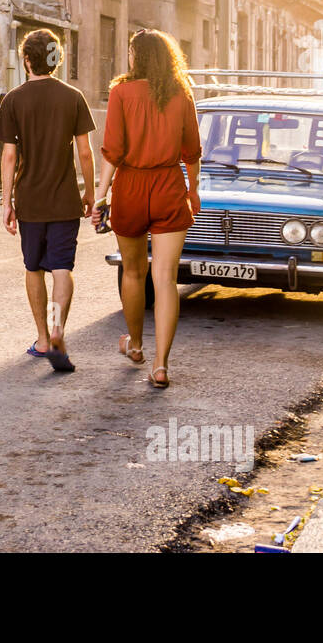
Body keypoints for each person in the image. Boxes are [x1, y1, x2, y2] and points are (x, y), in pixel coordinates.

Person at [93, 29, 201, 388]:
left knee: (134, 272)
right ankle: (160, 365)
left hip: (131, 187)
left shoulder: (121, 93)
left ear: (137, 56)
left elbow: (112, 150)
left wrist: (101, 195)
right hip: (170, 185)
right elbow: (192, 152)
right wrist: (194, 191)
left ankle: (136, 345)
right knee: (166, 278)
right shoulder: (182, 93)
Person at [0, 29, 96, 372]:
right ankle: (57, 329)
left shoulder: (13, 100)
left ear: (26, 60)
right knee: (62, 268)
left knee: (34, 267)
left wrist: (6, 201)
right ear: (57, 59)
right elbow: (85, 151)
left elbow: (9, 157)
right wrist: (91, 192)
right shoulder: (73, 97)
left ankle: (41, 338)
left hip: (30, 201)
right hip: (65, 200)